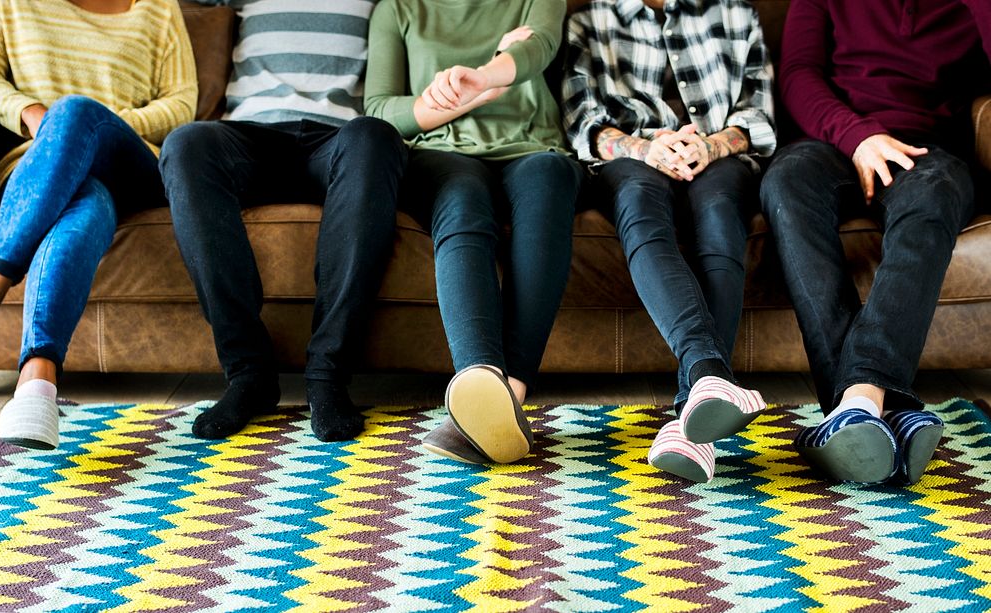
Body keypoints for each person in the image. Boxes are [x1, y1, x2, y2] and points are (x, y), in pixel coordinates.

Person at [760, 0, 991, 484]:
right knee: (785, 185)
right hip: (834, 139)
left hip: (929, 149)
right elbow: (798, 75)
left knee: (935, 196)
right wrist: (859, 136)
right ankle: (878, 405)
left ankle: (858, 404)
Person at [159, 0, 408, 443]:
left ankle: (327, 376)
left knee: (376, 135)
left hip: (338, 140)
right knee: (186, 142)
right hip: (250, 135)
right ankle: (248, 375)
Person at [563, 0, 775, 482]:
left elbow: (758, 116)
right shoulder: (588, 20)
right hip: (633, 159)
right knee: (640, 209)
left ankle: (690, 415)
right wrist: (646, 149)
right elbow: (584, 123)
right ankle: (707, 375)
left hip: (716, 157)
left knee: (720, 214)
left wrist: (711, 144)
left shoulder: (737, 14)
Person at [364, 0, 584, 464]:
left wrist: (484, 75)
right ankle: (480, 377)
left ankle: (507, 398)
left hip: (534, 146)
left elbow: (540, 47)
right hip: (441, 149)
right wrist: (461, 99)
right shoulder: (397, 9)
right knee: (462, 205)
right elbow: (380, 111)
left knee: (549, 183)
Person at [0, 0, 197, 449]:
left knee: (77, 113)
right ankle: (37, 381)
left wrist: (94, 122)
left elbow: (183, 102)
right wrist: (31, 113)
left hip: (129, 159)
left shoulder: (158, 8)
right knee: (87, 203)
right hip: (37, 164)